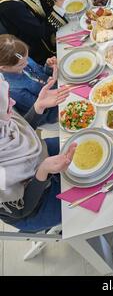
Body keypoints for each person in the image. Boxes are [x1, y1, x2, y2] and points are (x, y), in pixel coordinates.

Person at [0, 77, 76, 232]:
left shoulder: (2, 117)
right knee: (93, 190)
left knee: (83, 144)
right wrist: (43, 171)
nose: (12, 104)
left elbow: (19, 133)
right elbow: (22, 209)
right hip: (36, 206)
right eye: (7, 105)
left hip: (40, 158)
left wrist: (38, 107)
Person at [0, 34, 59, 126]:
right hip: (52, 113)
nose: (27, 63)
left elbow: (41, 74)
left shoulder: (21, 58)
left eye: (27, 58)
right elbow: (42, 110)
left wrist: (49, 67)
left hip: (57, 90)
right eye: (21, 64)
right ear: (4, 68)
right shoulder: (13, 90)